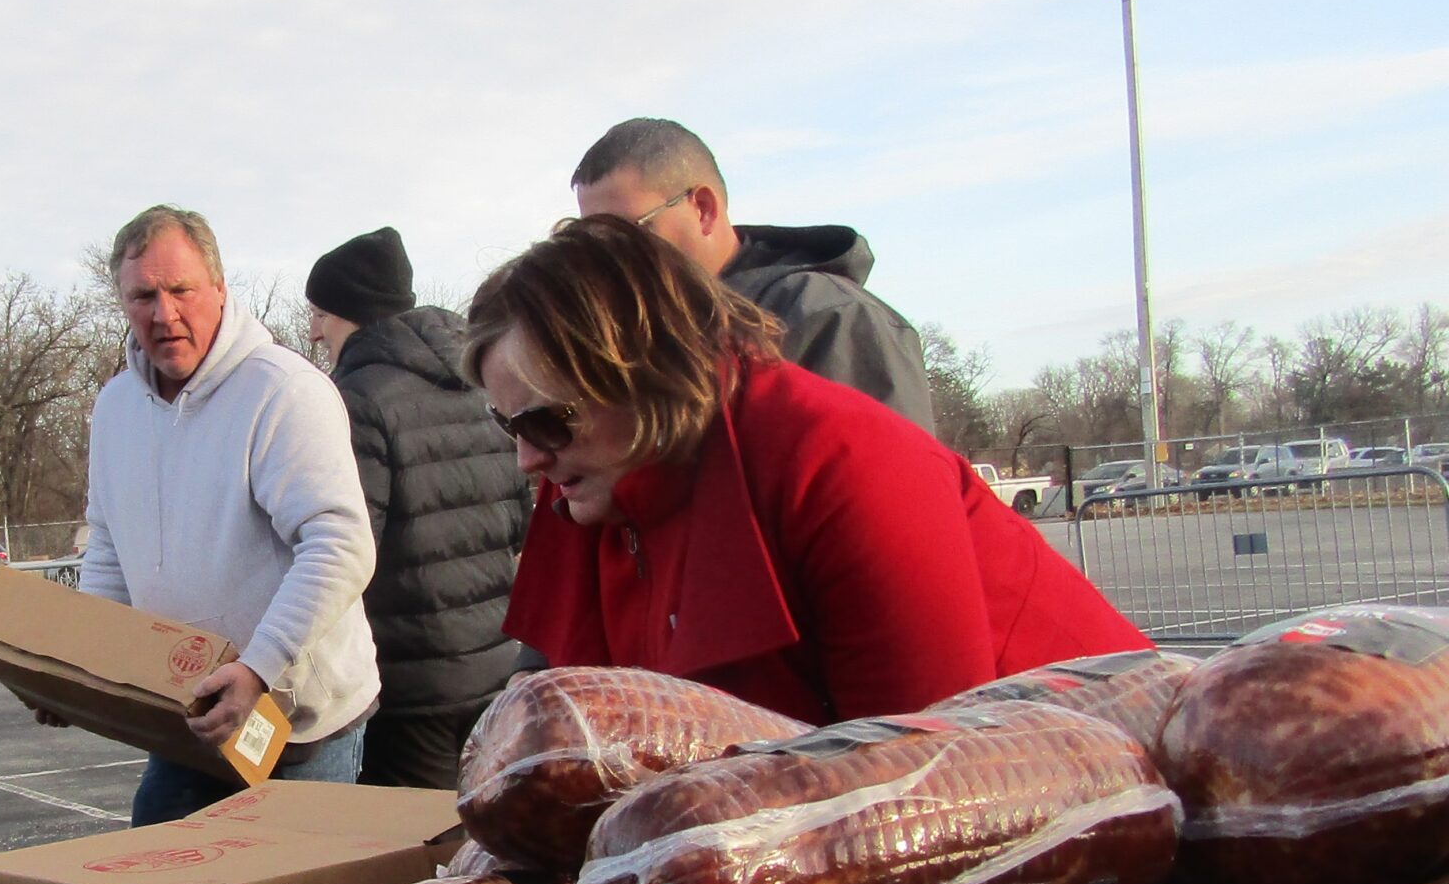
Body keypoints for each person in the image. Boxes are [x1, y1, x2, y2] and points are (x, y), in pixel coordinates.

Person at [465, 218, 1146, 725]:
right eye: (510, 426)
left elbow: (927, 777)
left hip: (1100, 802)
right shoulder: (600, 493)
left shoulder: (843, 461)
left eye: (549, 422)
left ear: (646, 377)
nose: (529, 460)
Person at [78, 204, 380, 825]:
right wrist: (82, 669)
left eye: (180, 289)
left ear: (218, 286)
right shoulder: (116, 409)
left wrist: (258, 668)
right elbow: (108, 545)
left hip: (296, 723)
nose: (164, 314)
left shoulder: (281, 392)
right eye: (142, 296)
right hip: (190, 713)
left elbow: (340, 546)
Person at [303, 226, 528, 790]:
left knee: (413, 856)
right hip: (499, 668)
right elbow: (522, 520)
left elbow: (350, 547)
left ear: (348, 314)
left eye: (320, 315)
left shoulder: (356, 399)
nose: (313, 331)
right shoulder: (480, 384)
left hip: (410, 687)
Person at [569, 117, 932, 428]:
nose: (609, 260)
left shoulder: (835, 320)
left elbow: (893, 494)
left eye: (628, 234)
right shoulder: (633, 339)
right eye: (593, 243)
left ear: (704, 209)